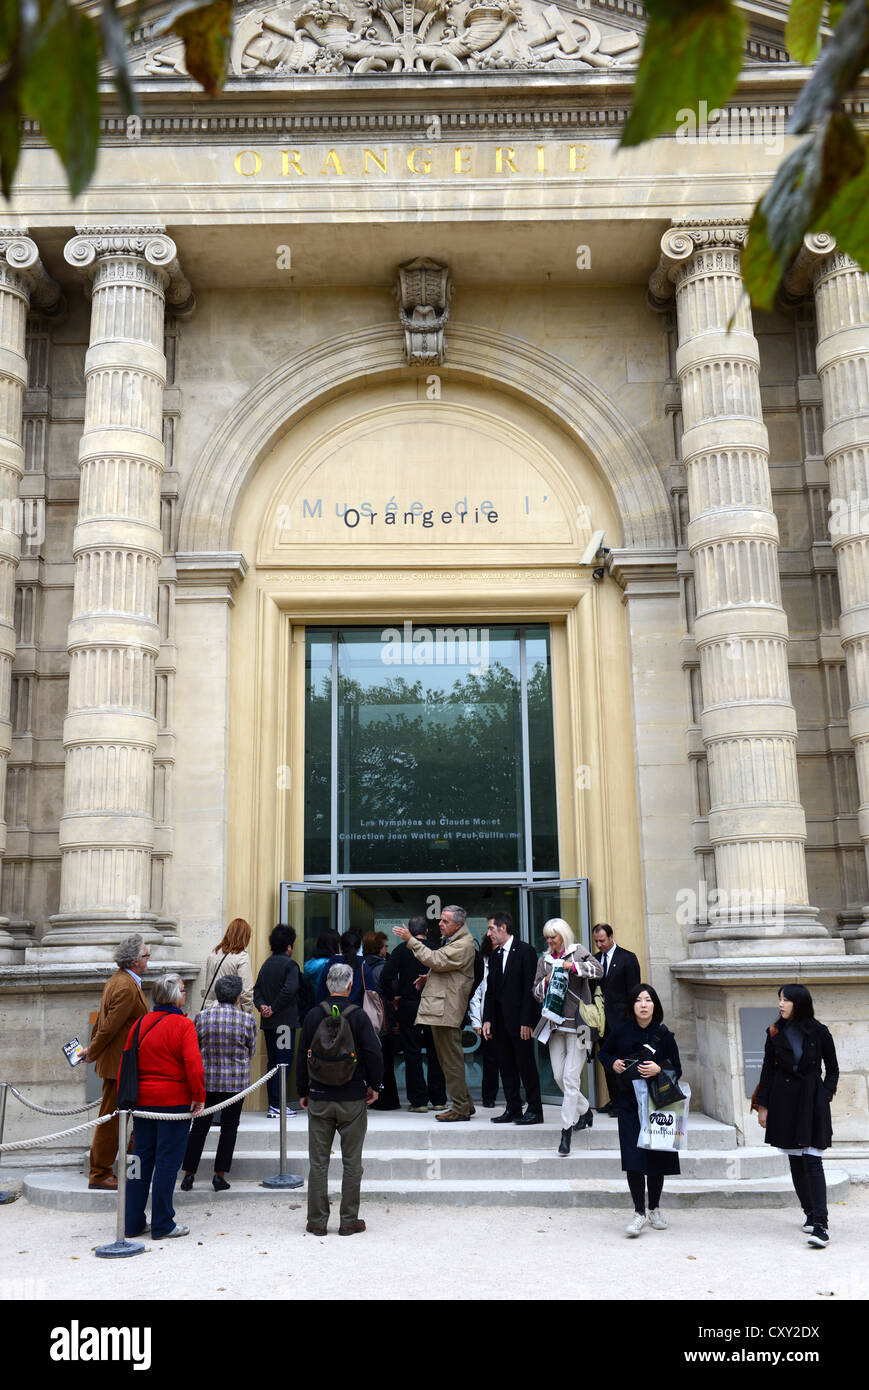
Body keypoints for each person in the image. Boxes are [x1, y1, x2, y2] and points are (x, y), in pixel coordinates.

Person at [297, 961, 383, 1236]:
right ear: (349, 986)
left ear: (326, 985)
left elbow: (302, 1055)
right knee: (352, 1162)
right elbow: (373, 1052)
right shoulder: (358, 1017)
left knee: (318, 1163)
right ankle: (348, 1221)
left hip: (320, 1095)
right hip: (352, 1096)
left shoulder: (312, 1015)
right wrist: (375, 1085)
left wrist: (303, 1090)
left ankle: (317, 1221)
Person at [753, 983, 839, 1249]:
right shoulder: (774, 1032)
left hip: (812, 1101)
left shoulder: (819, 1031)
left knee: (813, 1160)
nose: (780, 1004)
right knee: (796, 1160)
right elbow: (767, 1071)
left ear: (799, 1003)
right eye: (779, 999)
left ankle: (822, 1225)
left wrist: (825, 1094)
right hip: (784, 1102)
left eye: (786, 1000)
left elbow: (833, 1068)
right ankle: (809, 1213)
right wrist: (763, 1107)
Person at [123, 973, 205, 1240]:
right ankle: (162, 1222)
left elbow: (127, 1062)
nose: (185, 994)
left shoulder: (139, 1024)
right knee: (167, 1163)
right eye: (182, 990)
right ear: (173, 996)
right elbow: (194, 1065)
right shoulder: (183, 1026)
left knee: (141, 1162)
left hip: (143, 1102)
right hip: (174, 1102)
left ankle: (133, 1222)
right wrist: (199, 1095)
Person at [599, 982, 681, 1237]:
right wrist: (613, 1063)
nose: (643, 1005)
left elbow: (677, 1069)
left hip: (658, 1105)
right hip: (628, 1103)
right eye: (638, 1000)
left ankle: (655, 1207)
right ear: (632, 1006)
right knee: (634, 1158)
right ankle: (638, 1212)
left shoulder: (665, 1035)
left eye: (648, 1000)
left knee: (657, 1158)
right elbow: (604, 1053)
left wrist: (660, 1070)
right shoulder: (621, 1031)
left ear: (654, 1005)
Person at [393, 905, 475, 1122]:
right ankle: (465, 1102)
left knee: (450, 1060)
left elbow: (437, 960)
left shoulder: (463, 943)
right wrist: (428, 978)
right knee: (448, 1058)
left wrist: (411, 940)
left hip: (447, 1008)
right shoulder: (456, 940)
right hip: (443, 1007)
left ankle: (459, 1107)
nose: (439, 923)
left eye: (445, 921)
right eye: (440, 920)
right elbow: (448, 968)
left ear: (458, 925)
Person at [179, 973, 257, 1192]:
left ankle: (189, 1174)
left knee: (199, 1128)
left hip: (208, 1081)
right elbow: (251, 1050)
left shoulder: (202, 1017)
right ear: (237, 997)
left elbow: (195, 1048)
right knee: (229, 1128)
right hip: (235, 1083)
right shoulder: (247, 1019)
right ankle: (219, 1175)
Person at [532, 917, 604, 1154]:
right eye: (547, 937)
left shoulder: (578, 951)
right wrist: (546, 980)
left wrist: (572, 967)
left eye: (553, 936)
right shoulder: (545, 960)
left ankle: (566, 1132)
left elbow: (598, 971)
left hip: (580, 1026)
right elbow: (536, 992)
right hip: (554, 1026)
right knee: (559, 1076)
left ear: (563, 935)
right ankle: (584, 1110)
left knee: (571, 1079)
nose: (550, 941)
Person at [83, 934, 149, 1190]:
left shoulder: (123, 981)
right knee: (110, 1120)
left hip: (121, 1063)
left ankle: (123, 1162)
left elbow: (104, 1021)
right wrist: (93, 1051)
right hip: (118, 1065)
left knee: (118, 1116)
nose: (148, 959)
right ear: (134, 961)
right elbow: (109, 1026)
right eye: (146, 956)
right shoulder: (124, 985)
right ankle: (99, 1173)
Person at [381, 915, 448, 1113]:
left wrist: (395, 996)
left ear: (409, 931)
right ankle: (439, 1099)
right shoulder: (436, 949)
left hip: (409, 1005)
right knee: (436, 1052)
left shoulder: (401, 950)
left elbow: (386, 976)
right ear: (427, 931)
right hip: (433, 1004)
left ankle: (418, 1101)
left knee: (412, 1052)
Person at [483, 912, 543, 1126]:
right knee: (506, 1066)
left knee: (525, 1065)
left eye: (491, 928)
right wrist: (487, 1019)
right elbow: (490, 990)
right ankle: (513, 1108)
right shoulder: (496, 954)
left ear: (503, 928)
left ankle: (535, 1109)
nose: (488, 933)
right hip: (499, 1023)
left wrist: (527, 1021)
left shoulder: (526, 951)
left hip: (520, 1023)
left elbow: (530, 990)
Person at [593, 922, 641, 1115]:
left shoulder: (627, 958)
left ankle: (624, 1103)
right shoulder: (595, 960)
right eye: (596, 941)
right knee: (607, 1061)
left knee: (623, 1062)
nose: (599, 945)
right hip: (601, 1023)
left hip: (621, 1020)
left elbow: (634, 991)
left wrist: (632, 1021)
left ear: (611, 937)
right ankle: (613, 1100)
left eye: (602, 940)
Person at [253, 923, 301, 1118]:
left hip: (269, 1023)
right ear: (289, 946)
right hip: (284, 1023)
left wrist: (262, 1006)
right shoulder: (290, 965)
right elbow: (290, 990)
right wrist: (273, 1008)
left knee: (272, 1062)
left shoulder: (266, 964)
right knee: (283, 1062)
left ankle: (273, 1103)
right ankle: (277, 1104)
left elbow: (256, 990)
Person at [468, 933, 500, 1109]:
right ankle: (489, 1097)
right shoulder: (482, 961)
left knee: (509, 1059)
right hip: (488, 1019)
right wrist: (476, 1021)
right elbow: (476, 994)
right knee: (490, 1060)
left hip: (506, 1019)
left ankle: (515, 1096)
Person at [200, 917, 255, 1014]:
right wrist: (247, 1014)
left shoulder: (213, 954)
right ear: (244, 936)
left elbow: (209, 987)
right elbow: (247, 992)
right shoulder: (242, 957)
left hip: (211, 1009)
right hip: (232, 1012)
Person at [316, 930, 364, 1005]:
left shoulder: (329, 965)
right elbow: (372, 995)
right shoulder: (363, 967)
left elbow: (321, 994)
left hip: (331, 1012)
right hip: (357, 1013)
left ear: (340, 946)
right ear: (358, 948)